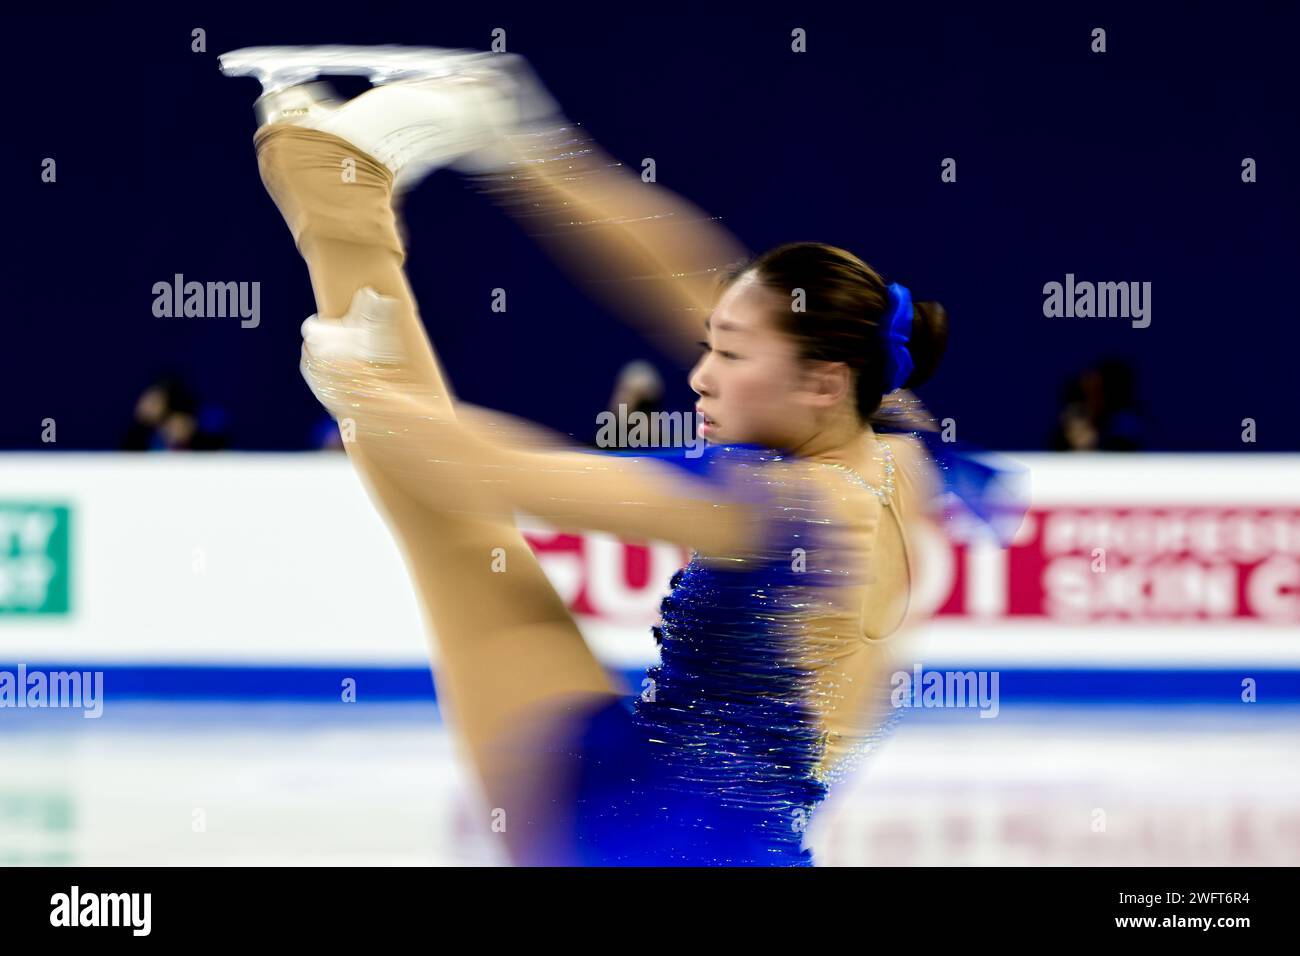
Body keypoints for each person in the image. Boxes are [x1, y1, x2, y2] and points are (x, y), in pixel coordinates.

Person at [222, 45, 1014, 865]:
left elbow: (470, 467)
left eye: (730, 359)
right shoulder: (892, 443)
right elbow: (698, 290)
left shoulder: (774, 500)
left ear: (822, 382)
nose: (700, 377)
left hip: (644, 844)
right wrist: (519, 148)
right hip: (680, 798)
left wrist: (356, 381)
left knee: (448, 517)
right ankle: (364, 180)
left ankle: (340, 197)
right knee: (445, 514)